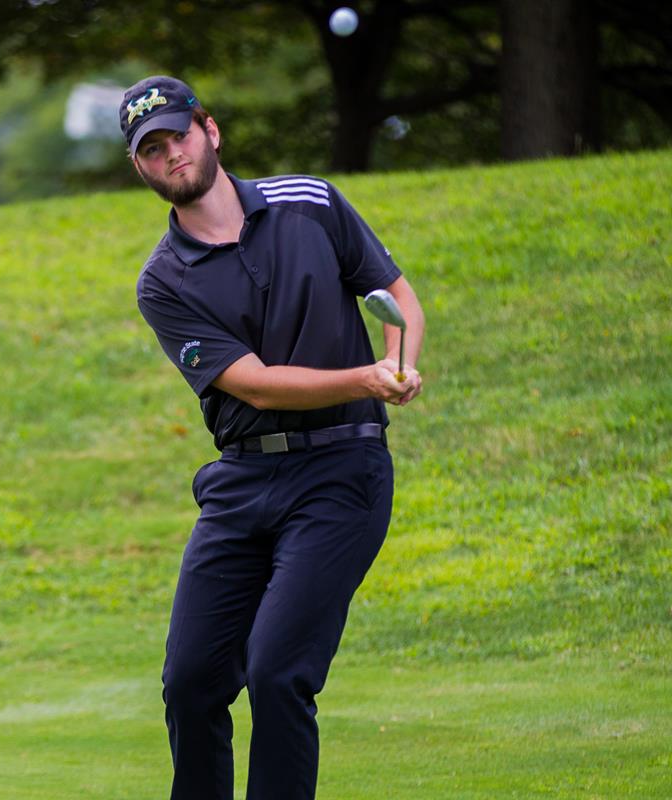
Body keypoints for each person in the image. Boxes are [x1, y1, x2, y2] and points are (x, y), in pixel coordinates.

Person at [121, 76, 425, 800]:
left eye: (177, 136)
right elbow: (254, 383)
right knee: (191, 679)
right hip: (242, 483)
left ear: (211, 131)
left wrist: (401, 362)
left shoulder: (309, 203)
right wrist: (368, 376)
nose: (170, 157)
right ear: (139, 167)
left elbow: (395, 294)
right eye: (150, 150)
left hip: (341, 473)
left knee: (279, 670)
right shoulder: (162, 282)